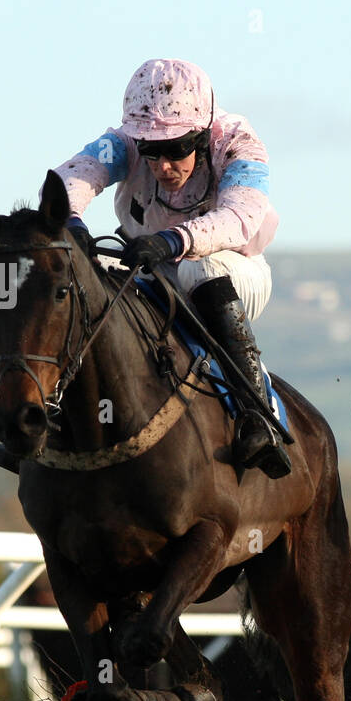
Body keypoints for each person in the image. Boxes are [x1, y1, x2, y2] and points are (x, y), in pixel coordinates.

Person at [53, 58, 290, 478]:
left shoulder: (236, 142)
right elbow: (69, 176)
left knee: (199, 269)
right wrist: (71, 220)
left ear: (200, 136)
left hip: (233, 271)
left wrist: (172, 241)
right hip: (153, 269)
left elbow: (240, 216)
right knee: (79, 273)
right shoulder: (124, 141)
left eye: (176, 150)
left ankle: (256, 412)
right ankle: (50, 416)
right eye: (151, 151)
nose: (162, 166)